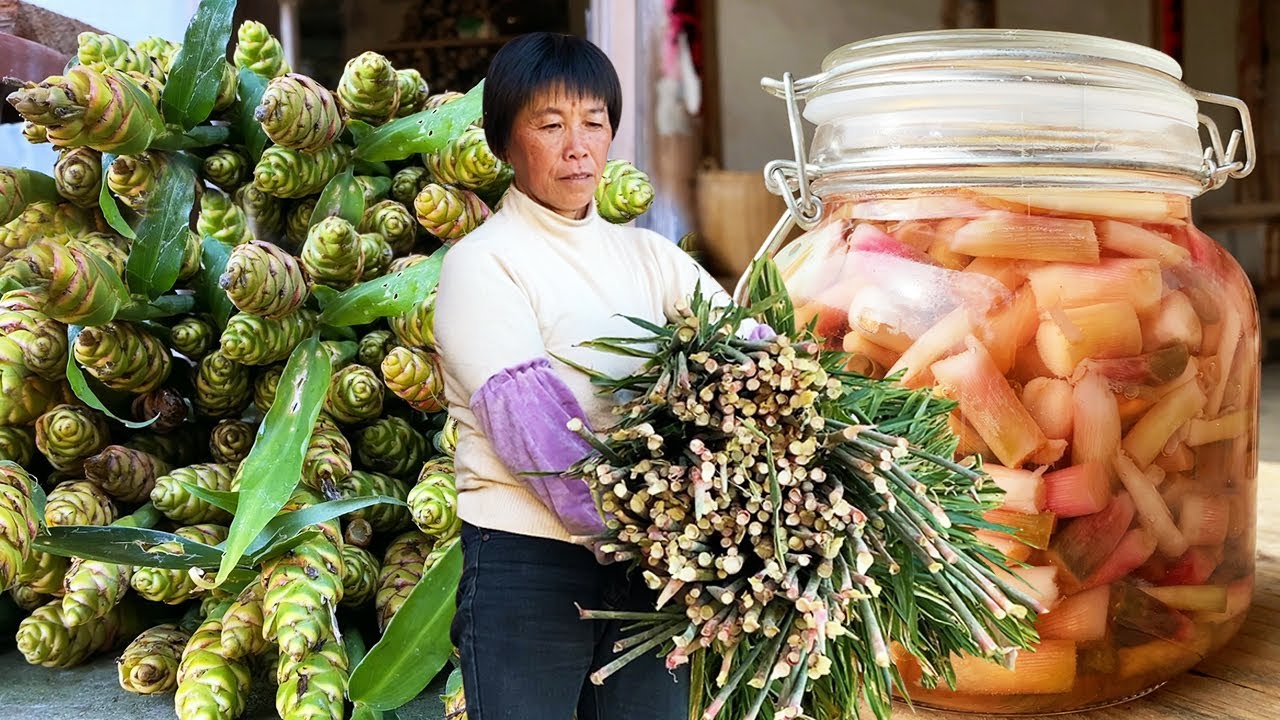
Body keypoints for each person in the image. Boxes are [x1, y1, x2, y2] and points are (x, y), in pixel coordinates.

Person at [433, 32, 728, 720]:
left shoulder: (653, 257)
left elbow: (742, 350)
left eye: (594, 123)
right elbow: (535, 432)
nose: (578, 145)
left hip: (651, 565)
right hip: (528, 564)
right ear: (505, 142)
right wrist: (656, 532)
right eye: (550, 124)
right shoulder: (484, 263)